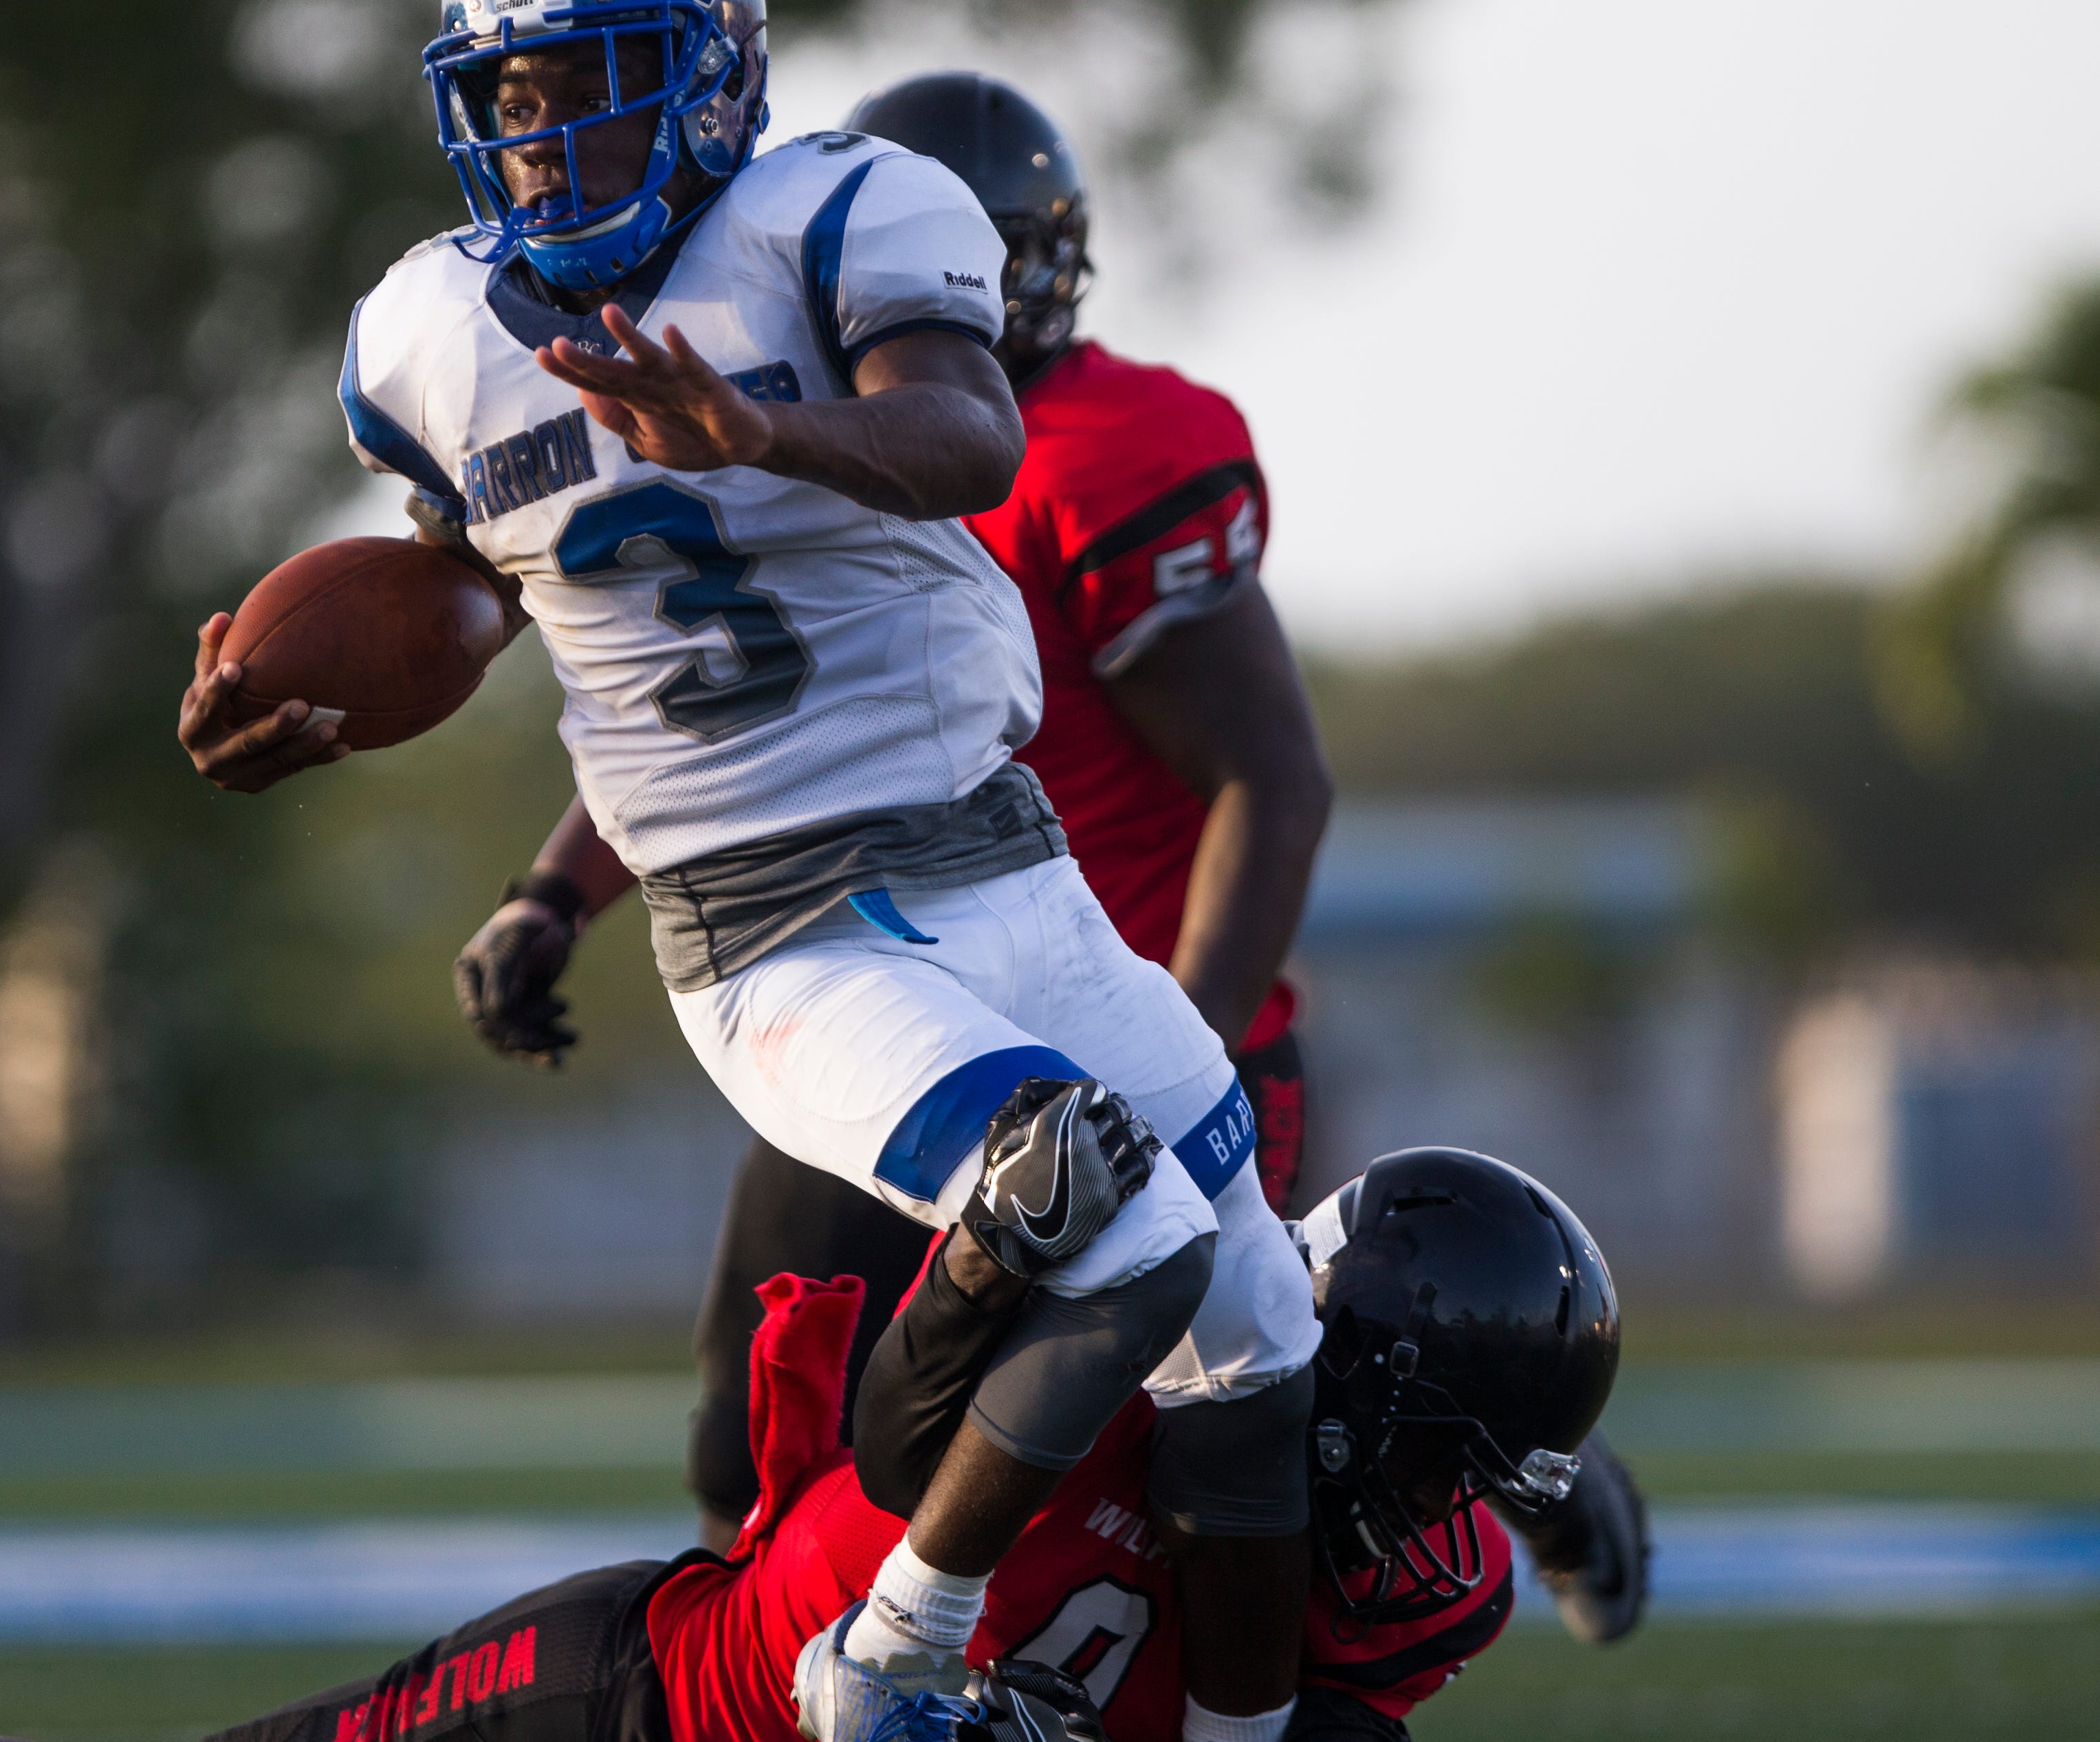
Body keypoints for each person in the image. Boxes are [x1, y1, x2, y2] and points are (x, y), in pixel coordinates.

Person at [178, 7, 1324, 1736]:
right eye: (514, 96)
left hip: (1011, 871)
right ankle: (885, 1661)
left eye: (585, 86)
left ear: (710, 79)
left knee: (1257, 1336)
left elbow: (969, 437)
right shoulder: (425, 331)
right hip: (776, 929)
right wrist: (322, 695)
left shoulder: (847, 216)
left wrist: (762, 434)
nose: (544, 133)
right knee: (1120, 1231)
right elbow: (484, 584)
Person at [447, 69, 1650, 1651]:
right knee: (762, 1451)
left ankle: (1529, 1474)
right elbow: (716, 720)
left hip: (1105, 992)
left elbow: (1273, 784)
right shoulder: (737, 418)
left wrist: (1182, 1051)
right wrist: (555, 890)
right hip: (874, 992)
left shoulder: (1093, 452)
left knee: (1244, 1449)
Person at [197, 1147, 1621, 1742]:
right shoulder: (1113, 1360)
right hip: (668, 1705)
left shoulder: (1413, 1586)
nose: (1442, 1517)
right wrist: (978, 1271)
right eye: (1440, 1463)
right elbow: (896, 1446)